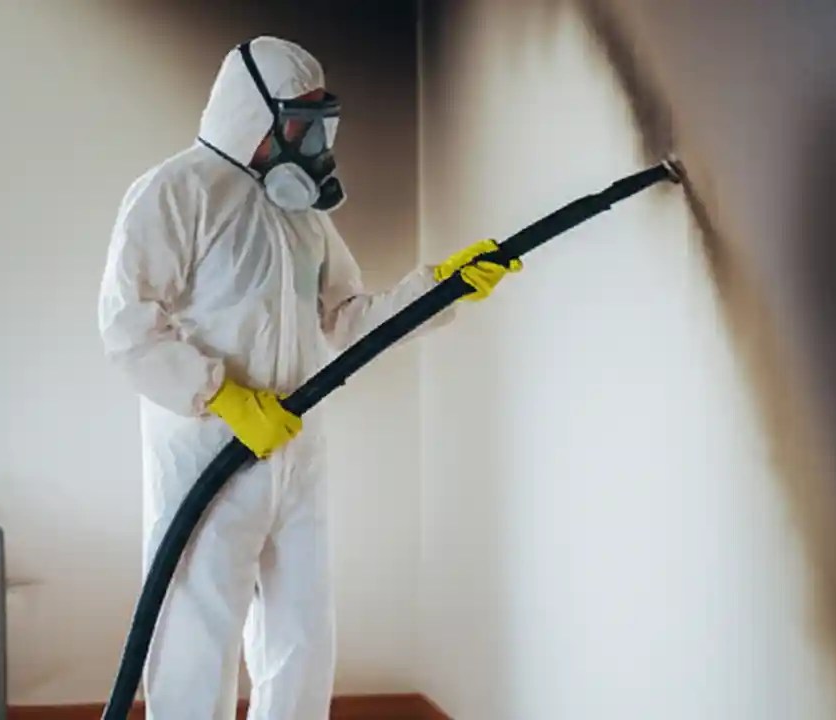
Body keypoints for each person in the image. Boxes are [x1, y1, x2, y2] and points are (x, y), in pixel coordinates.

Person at [98, 36, 520, 719]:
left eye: (319, 123)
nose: (312, 139)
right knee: (196, 634)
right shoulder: (177, 191)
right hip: (209, 452)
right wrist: (223, 397)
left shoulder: (301, 215)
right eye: (300, 122)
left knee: (302, 632)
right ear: (253, 115)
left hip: (295, 451)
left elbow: (349, 319)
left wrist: (440, 289)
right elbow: (126, 323)